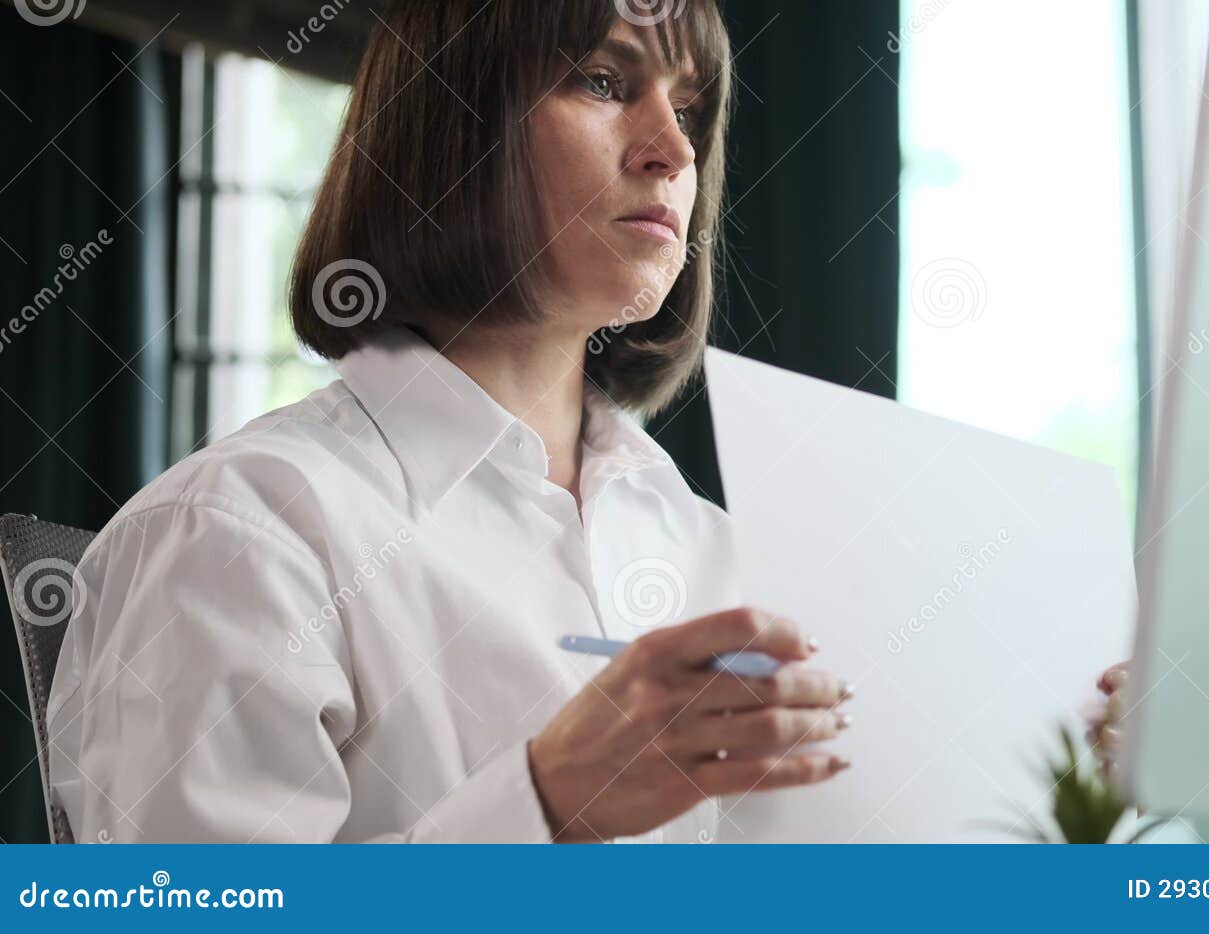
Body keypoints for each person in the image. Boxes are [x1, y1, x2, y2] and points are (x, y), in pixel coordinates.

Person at [47, 0, 852, 844]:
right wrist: (543, 802)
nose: (677, 149)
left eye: (688, 110)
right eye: (604, 81)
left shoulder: (715, 552)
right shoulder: (237, 531)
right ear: (449, 127)